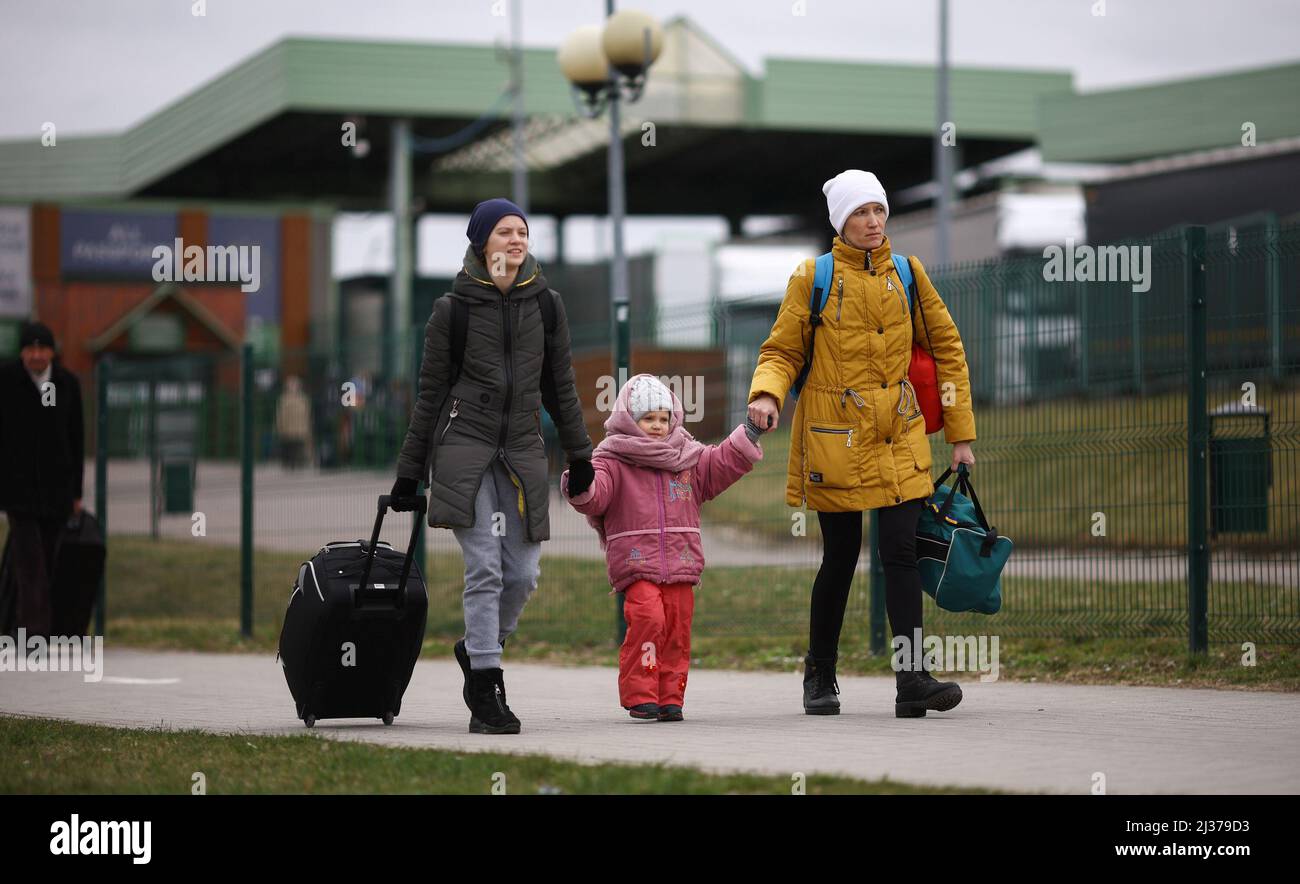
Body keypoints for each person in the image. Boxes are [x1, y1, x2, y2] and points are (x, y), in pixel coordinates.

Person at [747, 169, 978, 719]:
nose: (873, 222)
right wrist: (767, 395)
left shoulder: (908, 273)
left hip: (899, 430)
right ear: (840, 222)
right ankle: (820, 672)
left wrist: (961, 433)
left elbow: (947, 348)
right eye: (860, 213)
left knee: (901, 554)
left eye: (878, 210)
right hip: (835, 436)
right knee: (841, 558)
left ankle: (912, 678)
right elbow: (782, 350)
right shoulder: (814, 277)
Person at [391, 198, 593, 735]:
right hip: (465, 448)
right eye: (505, 231)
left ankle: (477, 648)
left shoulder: (546, 305)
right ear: (483, 241)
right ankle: (486, 687)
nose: (516, 239)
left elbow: (561, 388)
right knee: (484, 566)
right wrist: (410, 473)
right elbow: (430, 394)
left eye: (523, 231)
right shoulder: (451, 310)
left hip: (523, 451)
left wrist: (581, 454)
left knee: (523, 574)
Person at [561, 374, 763, 722]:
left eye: (663, 418)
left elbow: (721, 464)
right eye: (647, 419)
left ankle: (670, 697)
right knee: (648, 619)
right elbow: (596, 497)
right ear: (629, 420)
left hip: (681, 561)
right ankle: (641, 694)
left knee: (677, 629)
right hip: (637, 564)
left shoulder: (688, 458)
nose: (657, 426)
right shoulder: (613, 460)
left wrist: (750, 433)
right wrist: (581, 482)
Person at [0, 321, 84, 637]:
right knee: (29, 564)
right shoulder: (7, 381)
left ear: (52, 351)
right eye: (30, 349)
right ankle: (34, 635)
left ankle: (25, 626)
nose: (36, 356)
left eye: (41, 349)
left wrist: (76, 491)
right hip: (18, 490)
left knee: (46, 563)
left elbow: (76, 439)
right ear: (21, 352)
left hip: (57, 490)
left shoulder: (67, 385)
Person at [275, 375, 313, 470]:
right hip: (288, 428)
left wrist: (308, 426)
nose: (293, 387)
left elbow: (307, 414)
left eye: (295, 385)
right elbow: (281, 415)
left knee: (299, 446)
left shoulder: (303, 399)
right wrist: (280, 426)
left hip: (300, 427)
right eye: (291, 385)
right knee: (288, 446)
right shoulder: (284, 399)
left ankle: (298, 462)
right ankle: (289, 463)